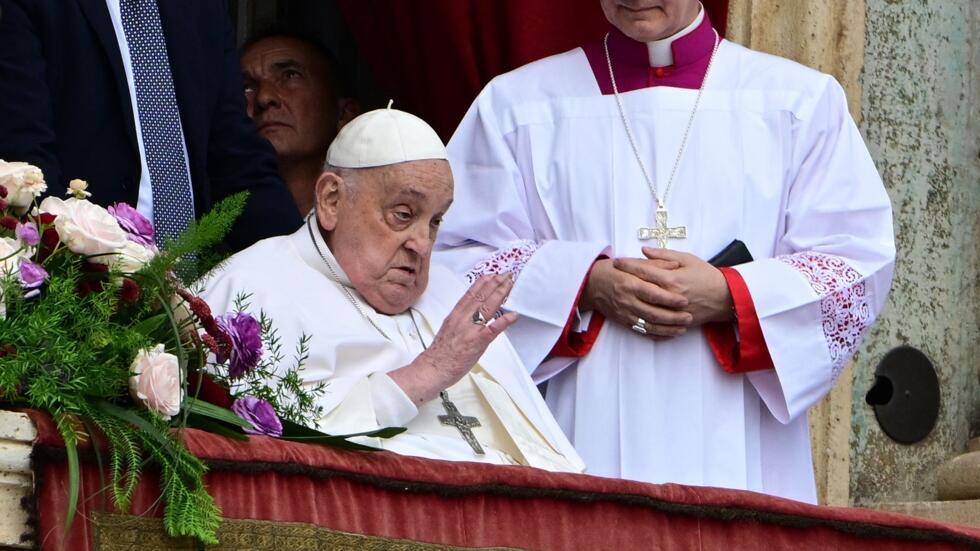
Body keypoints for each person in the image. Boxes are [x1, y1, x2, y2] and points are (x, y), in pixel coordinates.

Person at [435, 0, 895, 502]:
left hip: (740, 436)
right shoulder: (517, 105)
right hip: (578, 425)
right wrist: (582, 283)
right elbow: (453, 259)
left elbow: (853, 263)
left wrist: (729, 294)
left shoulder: (798, 102)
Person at [200, 106, 584, 471]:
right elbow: (269, 447)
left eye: (435, 221)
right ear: (331, 199)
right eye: (403, 214)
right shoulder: (254, 285)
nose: (422, 243)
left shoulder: (449, 294)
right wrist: (427, 373)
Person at [0, 0, 301, 251]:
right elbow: (25, 162)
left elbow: (237, 158)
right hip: (78, 286)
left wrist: (300, 262)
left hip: (195, 296)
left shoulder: (201, 8)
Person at [241, 32, 359, 215]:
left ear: (344, 114)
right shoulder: (213, 229)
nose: (264, 97)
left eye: (290, 76)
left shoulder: (373, 226)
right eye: (246, 87)